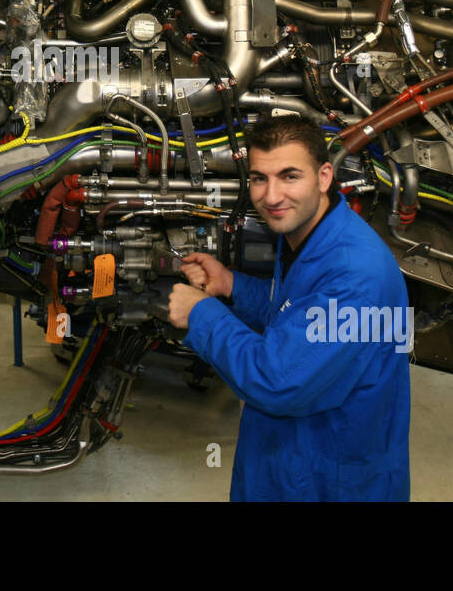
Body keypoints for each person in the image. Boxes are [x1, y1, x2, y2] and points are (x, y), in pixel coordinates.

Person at [167, 115, 411, 501]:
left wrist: (201, 314)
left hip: (331, 478)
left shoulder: (355, 275)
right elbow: (296, 314)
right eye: (260, 178)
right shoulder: (310, 234)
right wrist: (232, 285)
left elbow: (278, 380)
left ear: (325, 176)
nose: (272, 196)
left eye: (290, 176)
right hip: (293, 459)